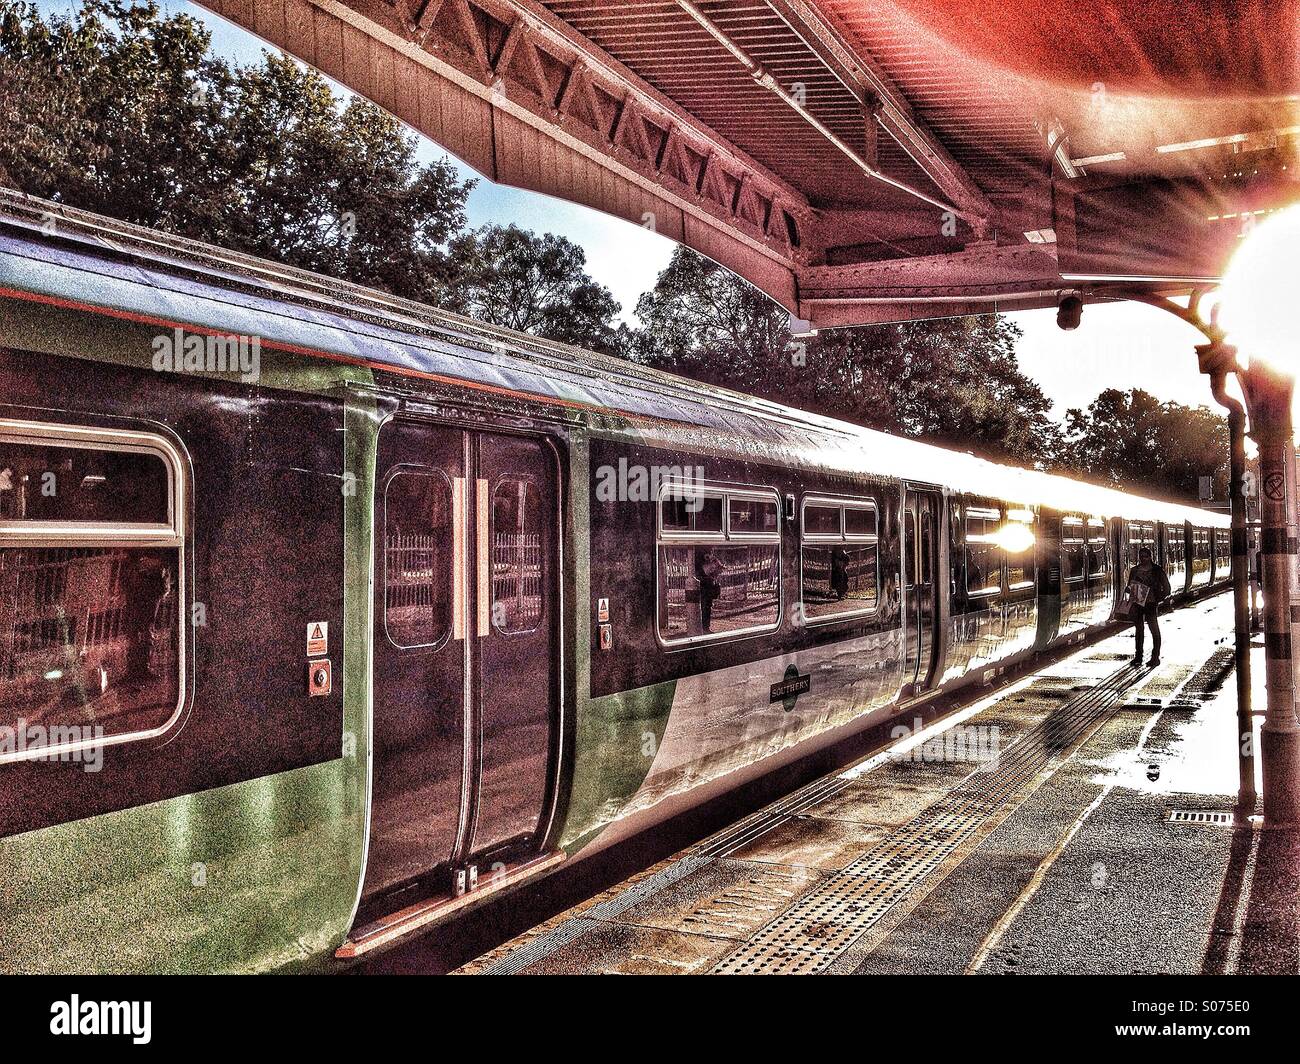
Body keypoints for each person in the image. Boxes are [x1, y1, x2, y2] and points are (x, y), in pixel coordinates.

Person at [1126, 546, 1171, 666]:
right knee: (1139, 630)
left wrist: (1158, 598)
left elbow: (1167, 588)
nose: (1143, 559)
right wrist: (1130, 590)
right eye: (1141, 557)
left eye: (1145, 556)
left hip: (1151, 604)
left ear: (1150, 557)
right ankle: (1138, 657)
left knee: (1154, 630)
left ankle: (1155, 657)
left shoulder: (1157, 570)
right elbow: (1129, 586)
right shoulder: (1135, 570)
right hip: (1138, 604)